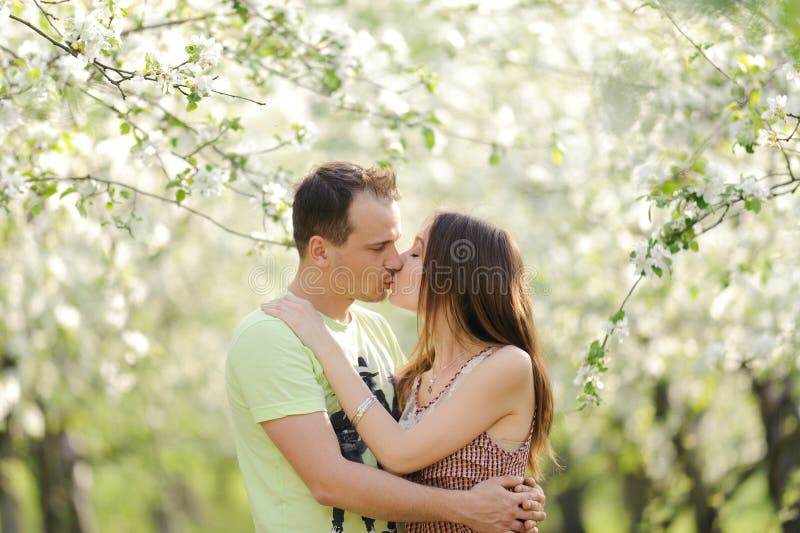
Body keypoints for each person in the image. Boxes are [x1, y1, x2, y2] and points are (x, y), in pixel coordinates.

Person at [226, 161, 547, 533]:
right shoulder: (271, 337)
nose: (395, 261)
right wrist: (468, 507)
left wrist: (513, 494)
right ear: (320, 252)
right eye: (379, 247)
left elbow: (413, 452)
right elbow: (330, 481)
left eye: (402, 246)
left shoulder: (376, 331)